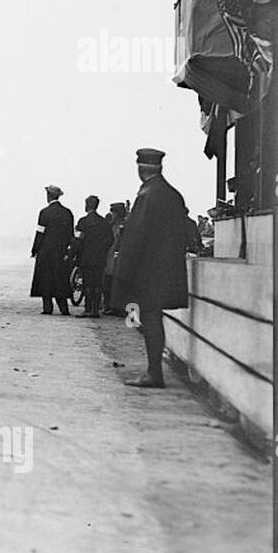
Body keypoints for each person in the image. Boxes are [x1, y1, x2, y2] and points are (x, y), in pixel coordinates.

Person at [111, 148, 191, 389]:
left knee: (150, 319)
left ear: (140, 169)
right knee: (154, 319)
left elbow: (136, 237)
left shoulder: (147, 195)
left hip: (147, 272)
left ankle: (153, 373)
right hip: (167, 270)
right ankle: (153, 371)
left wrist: (123, 270)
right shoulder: (173, 195)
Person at [30, 185, 74, 315]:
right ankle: (64, 309)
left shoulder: (44, 212)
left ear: (49, 196)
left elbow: (40, 233)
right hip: (60, 252)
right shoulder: (67, 212)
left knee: (45, 279)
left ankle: (47, 308)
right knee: (60, 279)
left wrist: (35, 250)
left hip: (46, 251)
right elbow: (70, 234)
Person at [74, 195, 114, 319]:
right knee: (97, 284)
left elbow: (77, 240)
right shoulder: (104, 222)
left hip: (85, 258)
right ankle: (95, 310)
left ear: (87, 205)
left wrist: (74, 254)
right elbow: (110, 239)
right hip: (99, 259)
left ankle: (87, 309)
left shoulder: (82, 222)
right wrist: (102, 250)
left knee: (87, 284)